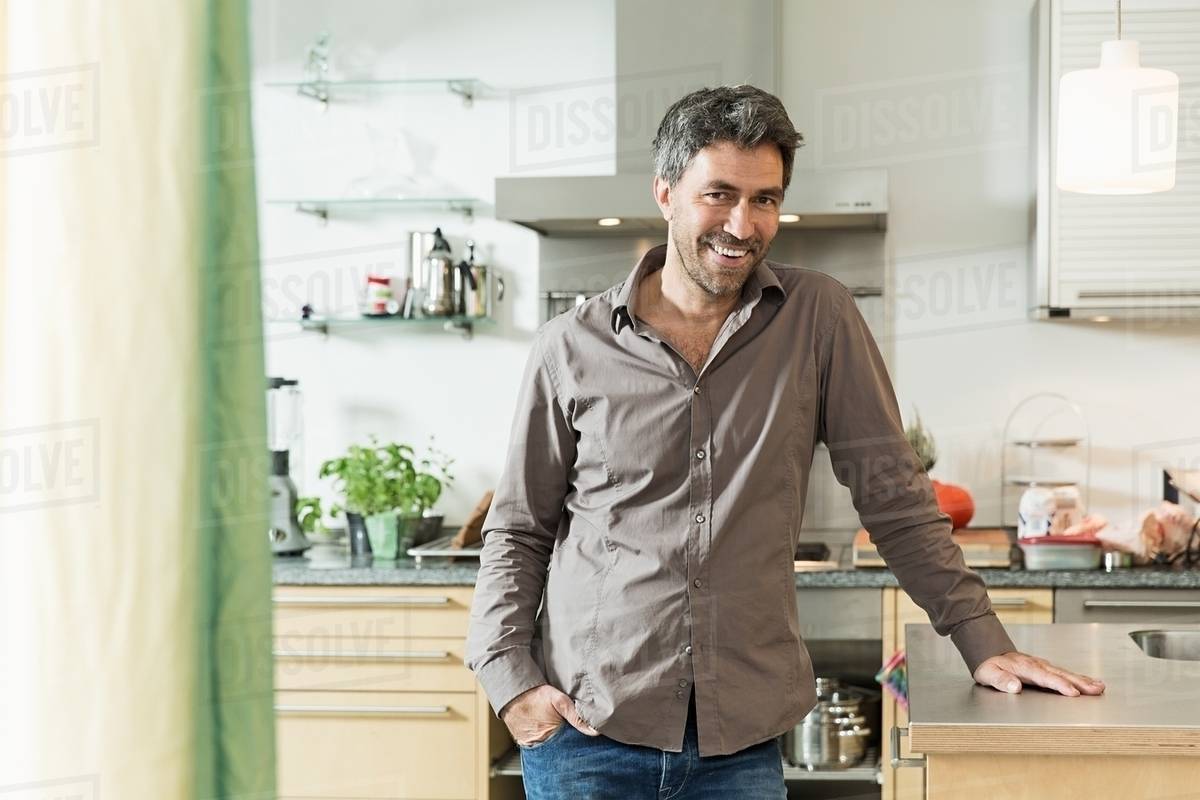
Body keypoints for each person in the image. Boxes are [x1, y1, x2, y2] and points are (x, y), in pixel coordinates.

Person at [465, 85, 1105, 799]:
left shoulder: (819, 319)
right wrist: (508, 678)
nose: (743, 223)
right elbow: (519, 530)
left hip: (738, 748)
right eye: (720, 194)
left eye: (765, 199)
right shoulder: (569, 347)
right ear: (667, 191)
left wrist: (984, 643)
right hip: (586, 734)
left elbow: (895, 500)